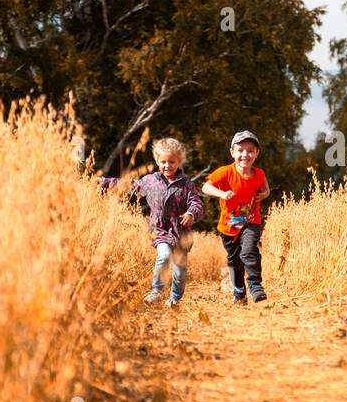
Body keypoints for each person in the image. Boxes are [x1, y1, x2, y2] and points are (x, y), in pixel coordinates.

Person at [101, 138, 204, 306]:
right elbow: (129, 185)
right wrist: (106, 182)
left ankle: (175, 299)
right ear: (157, 161)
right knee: (163, 256)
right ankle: (156, 290)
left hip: (181, 233)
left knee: (180, 272)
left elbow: (196, 202)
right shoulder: (151, 181)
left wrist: (192, 213)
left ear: (179, 161)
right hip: (160, 230)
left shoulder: (186, 184)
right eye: (163, 162)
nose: (167, 165)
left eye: (172, 162)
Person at [202, 130, 270, 303]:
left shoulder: (259, 173)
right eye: (240, 150)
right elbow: (205, 187)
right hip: (228, 227)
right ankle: (239, 292)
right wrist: (222, 194)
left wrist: (266, 192)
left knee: (249, 250)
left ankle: (255, 285)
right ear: (232, 152)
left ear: (256, 154)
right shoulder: (225, 172)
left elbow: (263, 183)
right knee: (235, 261)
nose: (245, 154)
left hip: (251, 221)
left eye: (250, 150)